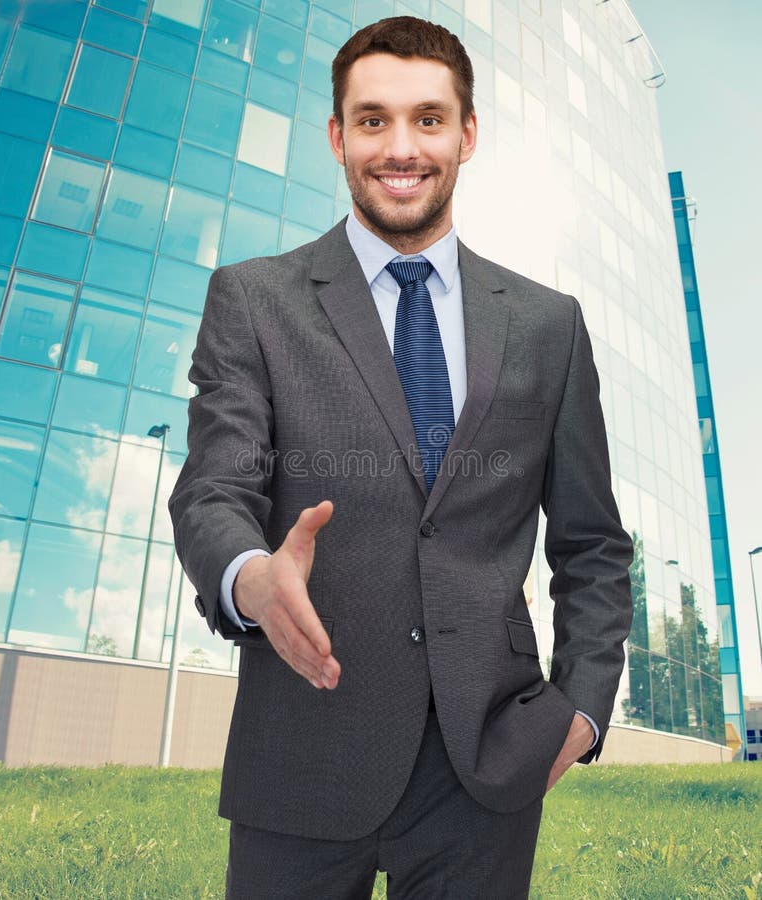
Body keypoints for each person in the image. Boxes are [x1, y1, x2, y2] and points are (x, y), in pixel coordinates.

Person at [169, 15, 633, 899]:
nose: (401, 147)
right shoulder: (254, 300)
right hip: (301, 748)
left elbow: (593, 544)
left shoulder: (548, 324)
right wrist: (253, 579)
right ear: (339, 138)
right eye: (373, 119)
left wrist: (581, 708)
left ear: (467, 134)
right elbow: (212, 491)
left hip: (487, 763)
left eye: (428, 118)